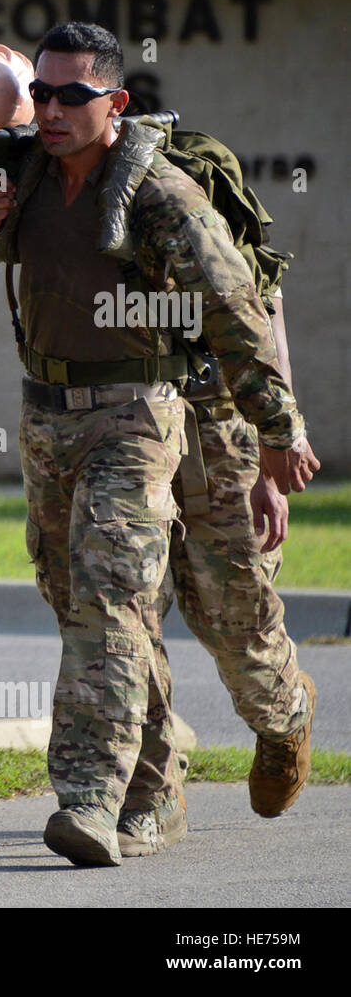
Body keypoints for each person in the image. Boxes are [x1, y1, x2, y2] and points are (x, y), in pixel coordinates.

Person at [0, 21, 317, 867]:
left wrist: (277, 437)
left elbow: (236, 314)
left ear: (114, 102)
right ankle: (151, 792)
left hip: (145, 415)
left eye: (72, 95)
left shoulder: (162, 197)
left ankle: (112, 787)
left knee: (202, 612)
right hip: (46, 415)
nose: (51, 109)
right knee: (88, 605)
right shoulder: (23, 176)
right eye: (40, 92)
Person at [152, 288, 316, 831]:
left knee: (235, 623)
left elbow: (267, 337)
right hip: (126, 431)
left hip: (221, 438)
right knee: (124, 622)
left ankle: (283, 714)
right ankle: (150, 786)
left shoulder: (220, 210)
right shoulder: (77, 206)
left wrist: (272, 467)